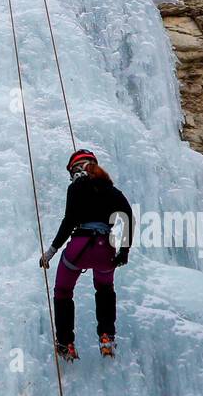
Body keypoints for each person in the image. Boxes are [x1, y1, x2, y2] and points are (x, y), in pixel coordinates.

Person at [38, 149, 134, 359]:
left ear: (74, 170)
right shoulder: (111, 190)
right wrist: (124, 251)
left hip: (79, 247)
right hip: (105, 250)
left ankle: (66, 343)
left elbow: (69, 221)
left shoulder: (75, 188)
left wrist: (51, 251)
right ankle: (107, 337)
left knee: (63, 291)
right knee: (105, 289)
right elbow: (127, 216)